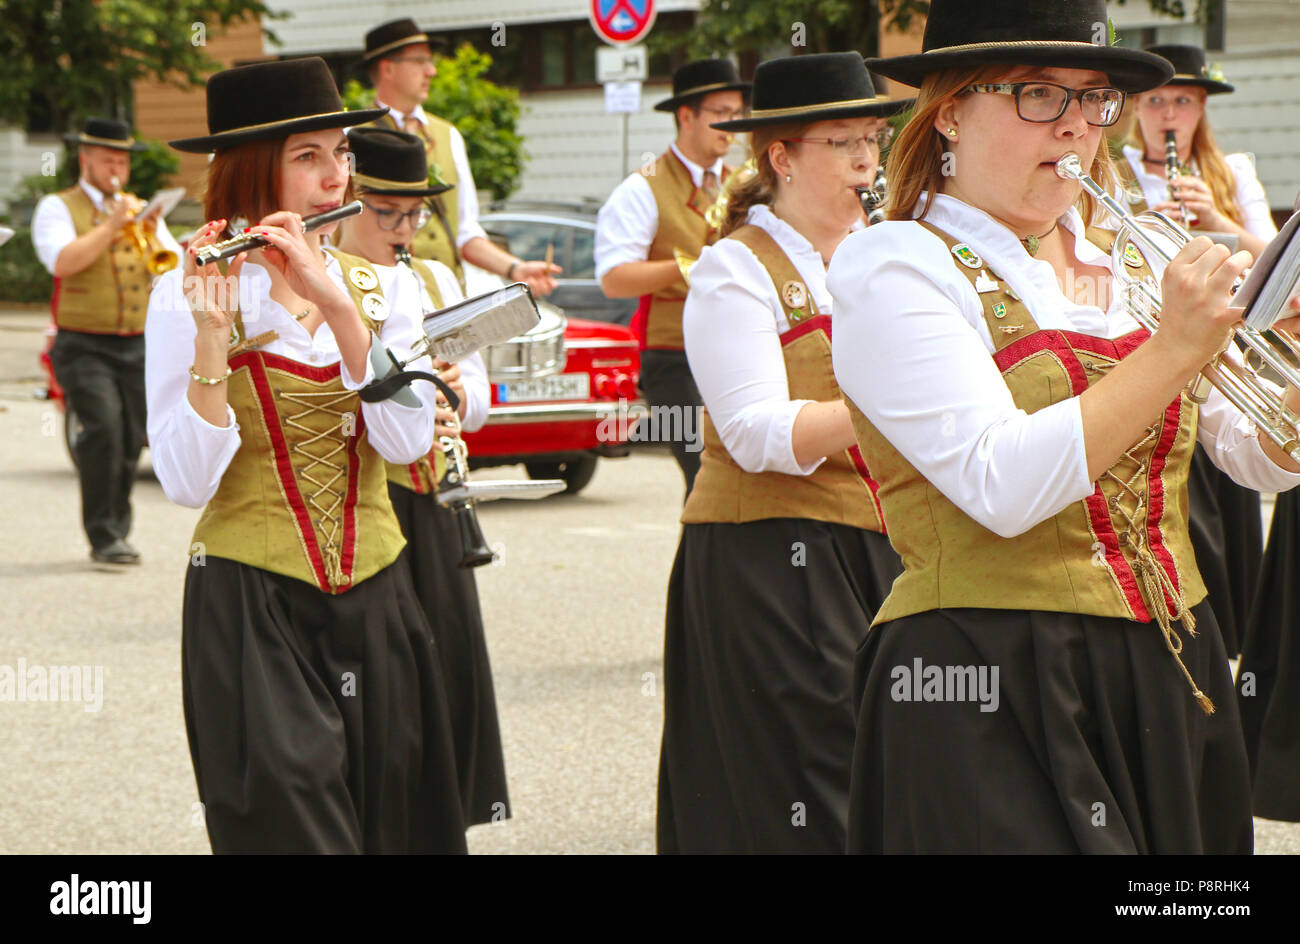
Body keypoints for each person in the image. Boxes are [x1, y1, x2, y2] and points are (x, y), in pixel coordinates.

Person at [832, 0, 1300, 853]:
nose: (1079, 126)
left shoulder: (1140, 253)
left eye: (1096, 99)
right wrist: (1172, 348)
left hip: (1176, 668)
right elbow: (1002, 485)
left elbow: (1258, 455)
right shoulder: (893, 262)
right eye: (1040, 95)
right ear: (949, 113)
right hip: (984, 677)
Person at [145, 57, 466, 853]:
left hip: (379, 596)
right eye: (308, 156)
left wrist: (337, 308)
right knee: (291, 815)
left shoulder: (386, 288)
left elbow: (406, 441)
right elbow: (186, 483)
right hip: (252, 603)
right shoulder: (180, 294)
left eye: (341, 153)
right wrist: (212, 340)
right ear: (254, 168)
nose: (334, 175)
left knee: (388, 816)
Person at [656, 53, 904, 854]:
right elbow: (756, 433)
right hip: (769, 556)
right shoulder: (735, 268)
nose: (867, 160)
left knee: (883, 768)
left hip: (881, 544)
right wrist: (897, 402)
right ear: (782, 157)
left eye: (873, 138)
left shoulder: (890, 255)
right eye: (842, 142)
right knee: (803, 778)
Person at [334, 125, 509, 828]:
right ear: (346, 201)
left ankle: (438, 818)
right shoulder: (322, 281)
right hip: (367, 503)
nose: (406, 229)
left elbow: (482, 399)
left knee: (446, 666)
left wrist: (459, 396)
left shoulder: (432, 279)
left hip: (430, 500)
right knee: (384, 685)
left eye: (417, 214)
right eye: (389, 213)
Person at [1121, 46, 1276, 656]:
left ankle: (1228, 639)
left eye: (1182, 101)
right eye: (1156, 100)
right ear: (1137, 107)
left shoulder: (1229, 170)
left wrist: (1214, 215)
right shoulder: (1118, 171)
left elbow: (1274, 256)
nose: (1168, 113)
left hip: (1231, 353)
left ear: (1201, 108)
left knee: (1227, 495)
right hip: (1156, 351)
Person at [595, 59, 751, 497]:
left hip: (740, 345)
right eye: (721, 113)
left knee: (742, 472)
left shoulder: (743, 181)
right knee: (703, 474)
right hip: (672, 356)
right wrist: (694, 263)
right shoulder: (643, 186)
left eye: (737, 113)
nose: (732, 125)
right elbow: (614, 279)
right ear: (687, 116)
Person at [33, 118, 183, 565]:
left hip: (137, 342)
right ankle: (104, 535)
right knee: (103, 430)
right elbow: (62, 261)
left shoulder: (140, 208)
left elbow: (171, 267)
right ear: (86, 160)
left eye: (122, 159)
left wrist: (152, 229)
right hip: (83, 343)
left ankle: (118, 528)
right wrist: (111, 225)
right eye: (108, 159)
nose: (117, 167)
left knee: (133, 435)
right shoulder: (58, 207)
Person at [360, 17, 559, 296]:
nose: (431, 71)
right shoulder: (352, 137)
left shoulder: (448, 134)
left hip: (446, 300)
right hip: (382, 299)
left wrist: (514, 269)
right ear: (388, 68)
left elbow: (464, 231)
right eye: (420, 61)